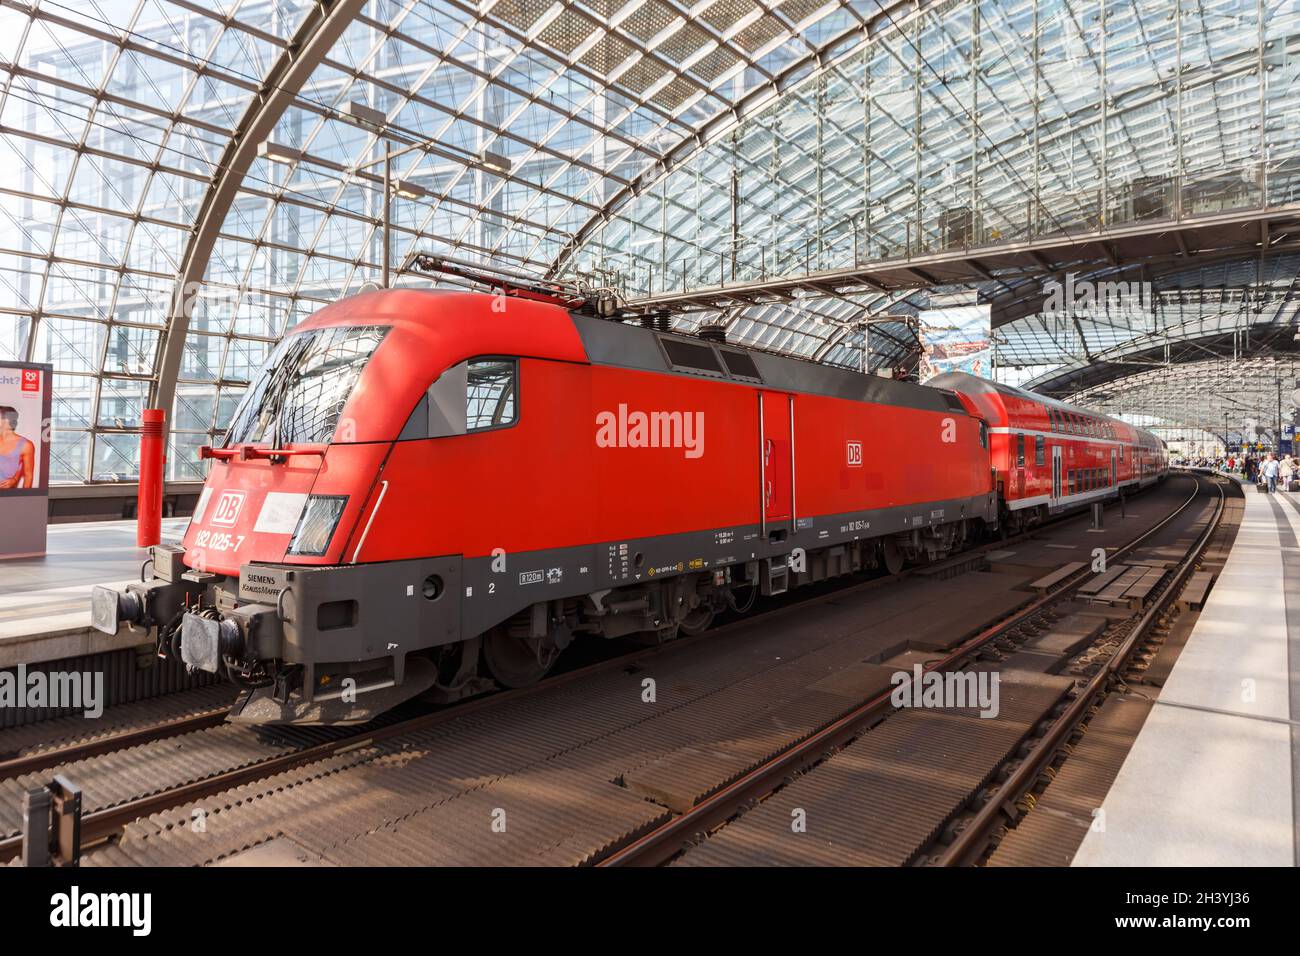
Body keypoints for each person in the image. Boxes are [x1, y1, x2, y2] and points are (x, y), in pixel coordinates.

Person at [0, 405, 35, 490]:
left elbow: (28, 476)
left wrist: (24, 500)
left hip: (7, 496)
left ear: (7, 420)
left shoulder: (26, 445)